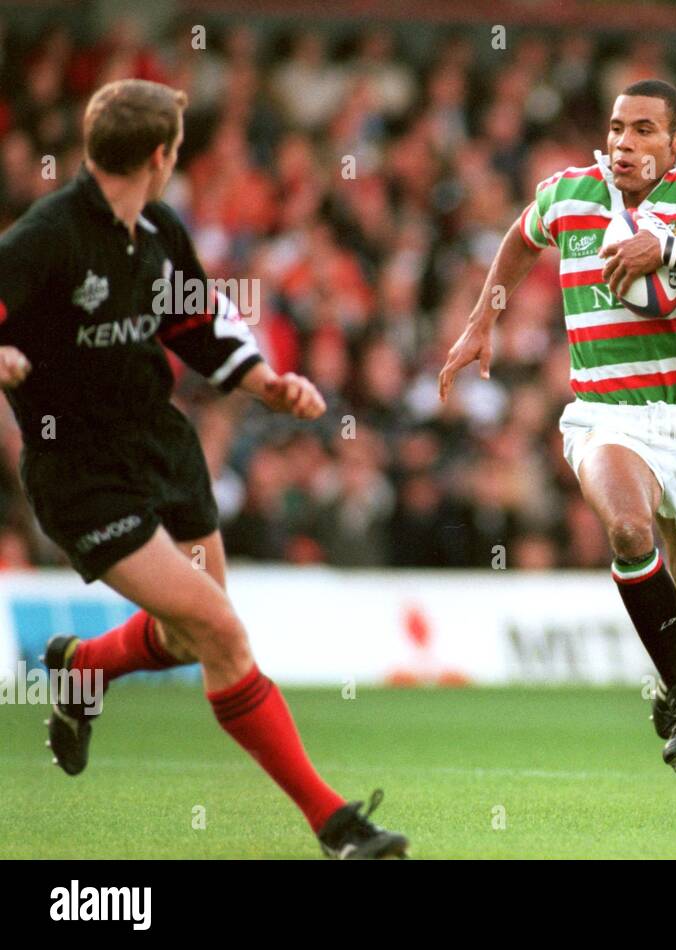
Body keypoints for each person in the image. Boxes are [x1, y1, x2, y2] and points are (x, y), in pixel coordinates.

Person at [0, 79, 406, 858]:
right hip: (83, 473)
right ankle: (337, 826)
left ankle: (83, 668)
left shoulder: (155, 226)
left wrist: (266, 382)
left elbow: (194, 322)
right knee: (220, 629)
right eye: (177, 150)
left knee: (190, 639)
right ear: (160, 155)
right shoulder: (47, 237)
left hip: (161, 445)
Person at [440, 79, 676, 770]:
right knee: (628, 528)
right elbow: (520, 235)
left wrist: (672, 252)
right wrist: (483, 317)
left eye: (645, 130)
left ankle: (670, 683)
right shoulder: (573, 191)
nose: (625, 142)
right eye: (618, 127)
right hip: (605, 413)